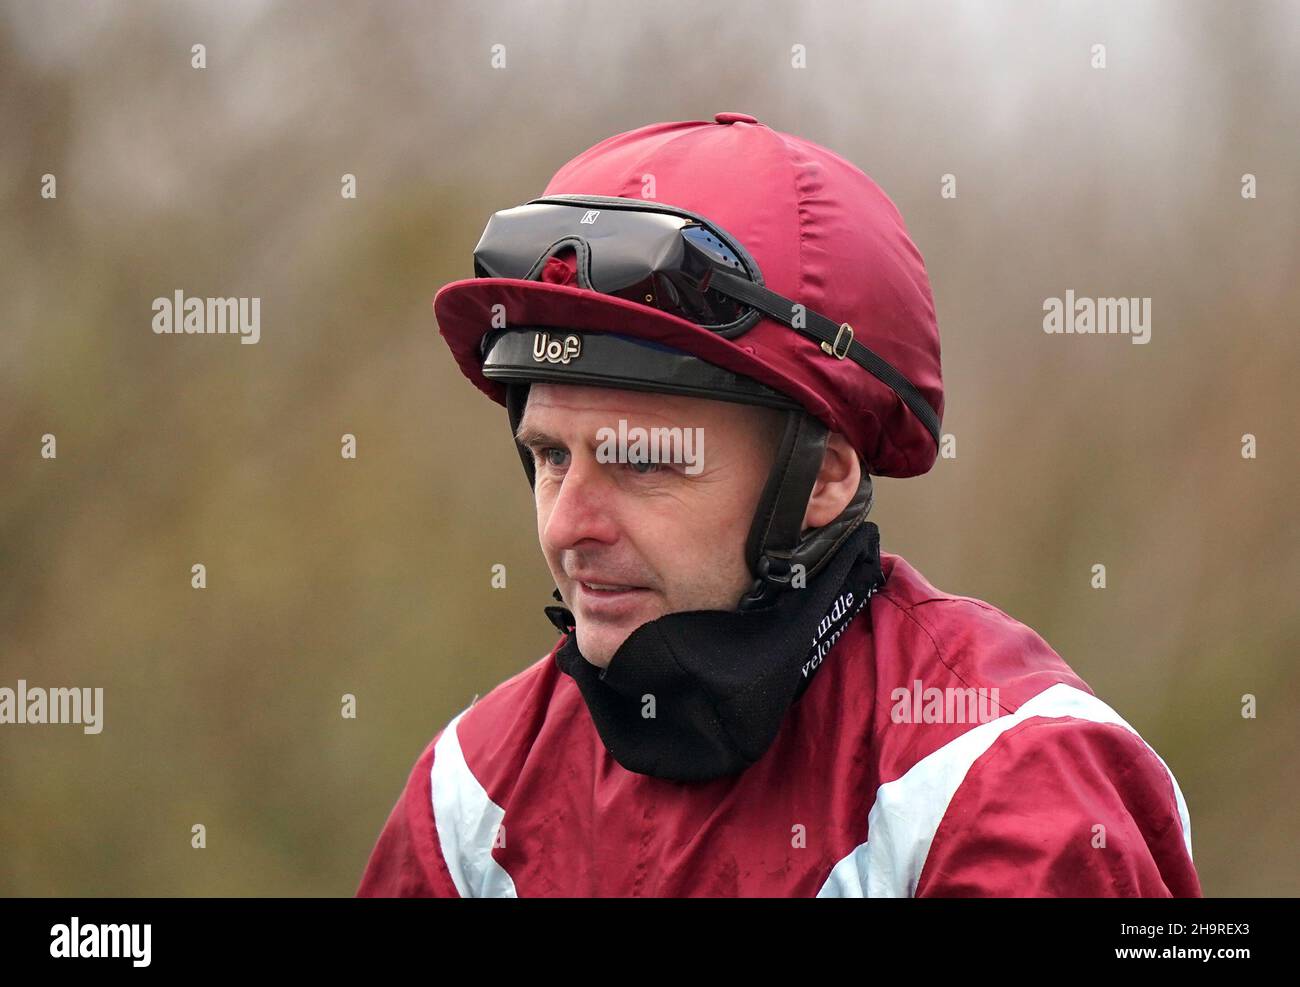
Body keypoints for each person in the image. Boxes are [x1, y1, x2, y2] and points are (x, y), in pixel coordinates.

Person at [356, 112, 1202, 897]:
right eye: (549, 456)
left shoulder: (1007, 777)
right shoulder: (467, 792)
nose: (567, 525)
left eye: (642, 461)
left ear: (825, 475)